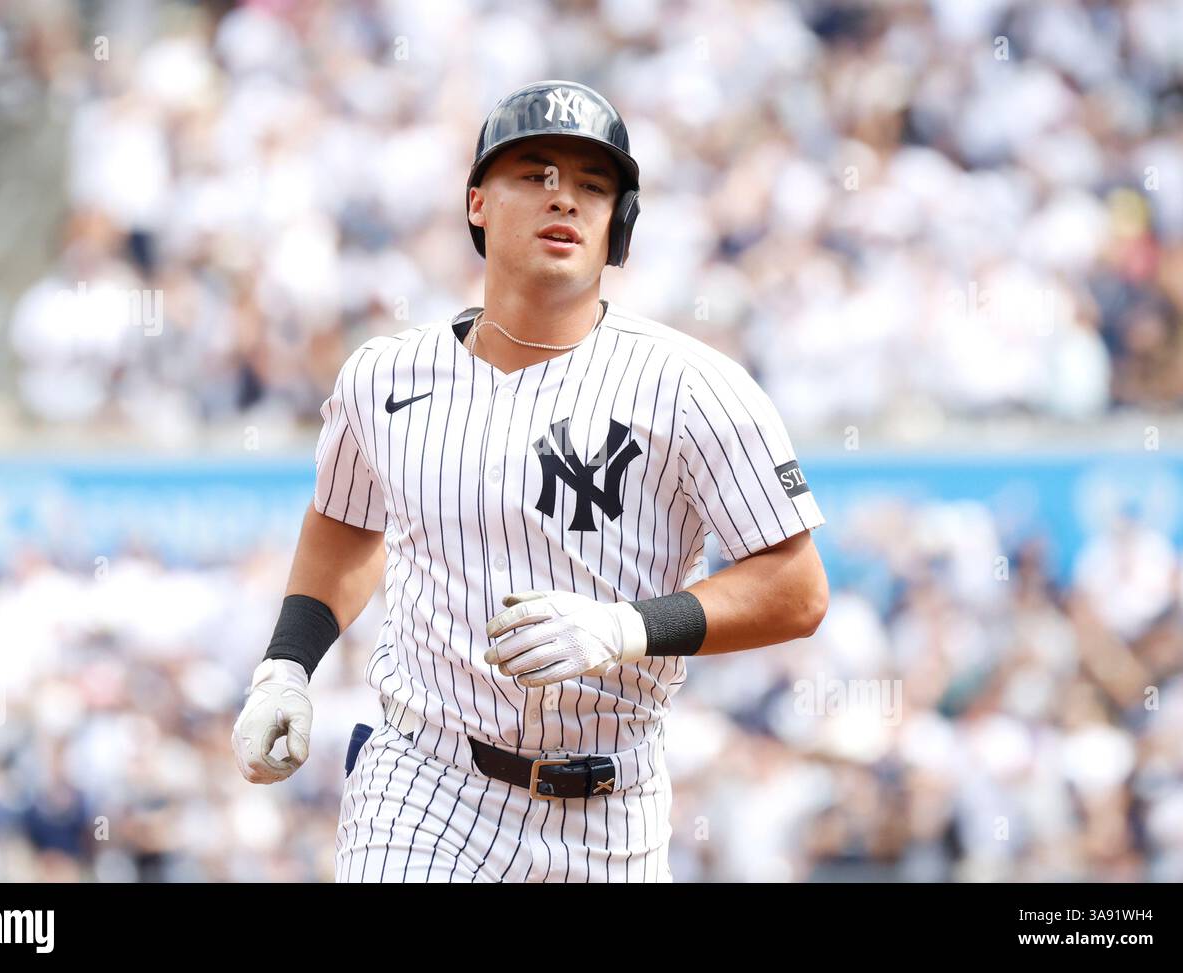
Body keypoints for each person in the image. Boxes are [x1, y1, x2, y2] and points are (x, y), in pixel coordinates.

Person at [231, 80, 829, 882]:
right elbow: (346, 523)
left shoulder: (693, 387)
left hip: (613, 804)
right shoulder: (385, 376)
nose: (565, 199)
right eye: (536, 173)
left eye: (592, 185)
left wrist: (626, 626)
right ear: (478, 202)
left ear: (619, 224)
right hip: (425, 782)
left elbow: (797, 589)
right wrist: (286, 666)